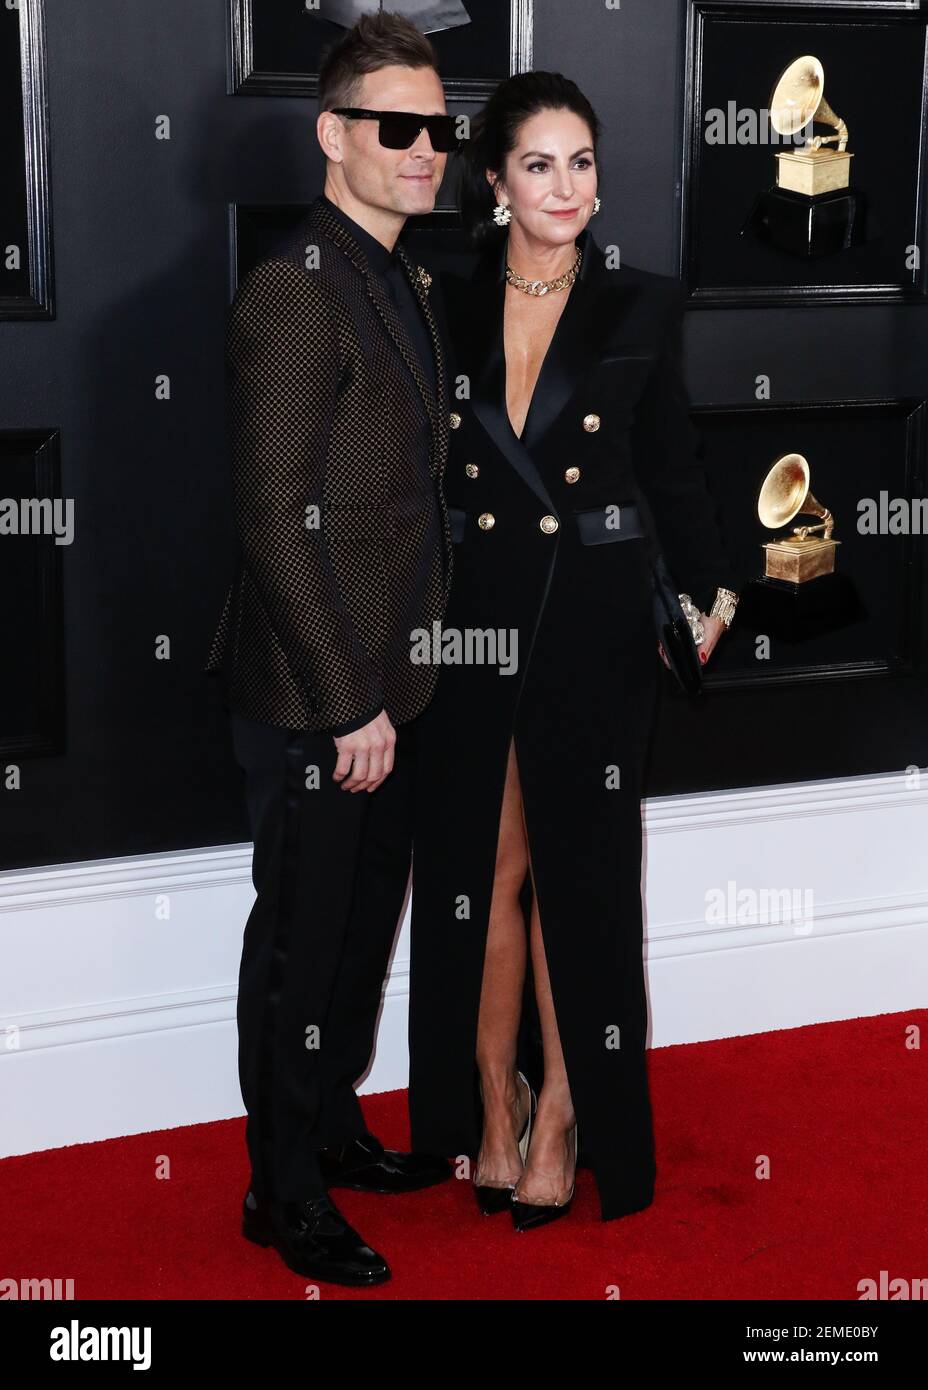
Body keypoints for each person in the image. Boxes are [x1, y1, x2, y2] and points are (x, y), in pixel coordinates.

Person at [407, 71, 743, 1230]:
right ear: (493, 182)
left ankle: (563, 1115)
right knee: (483, 873)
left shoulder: (640, 302)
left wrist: (708, 586)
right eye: (540, 164)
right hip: (473, 614)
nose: (567, 186)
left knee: (574, 875)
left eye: (583, 161)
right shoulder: (436, 296)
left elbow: (673, 467)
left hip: (594, 617)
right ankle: (490, 1113)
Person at [204, 12, 463, 1285]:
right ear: (333, 136)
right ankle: (281, 1190)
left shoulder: (399, 277)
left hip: (396, 685)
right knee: (303, 941)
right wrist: (348, 699)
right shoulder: (294, 290)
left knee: (361, 934)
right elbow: (270, 516)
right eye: (395, 129)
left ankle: (337, 1129)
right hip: (325, 696)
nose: (425, 151)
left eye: (438, 129)